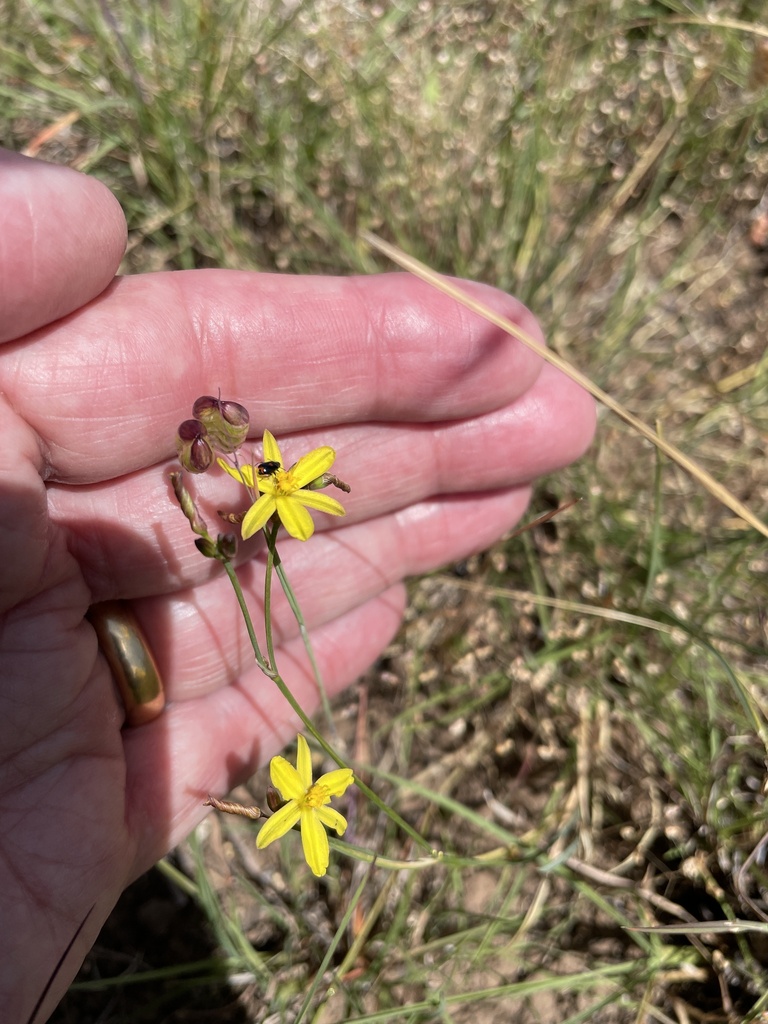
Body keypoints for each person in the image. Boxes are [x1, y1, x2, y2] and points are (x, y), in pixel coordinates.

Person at [0, 146, 595, 1023]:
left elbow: (279, 498)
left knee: (284, 618)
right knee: (272, 620)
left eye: (305, 802)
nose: (272, 477)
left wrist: (267, 501)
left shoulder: (285, 491)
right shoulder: (259, 492)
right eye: (305, 801)